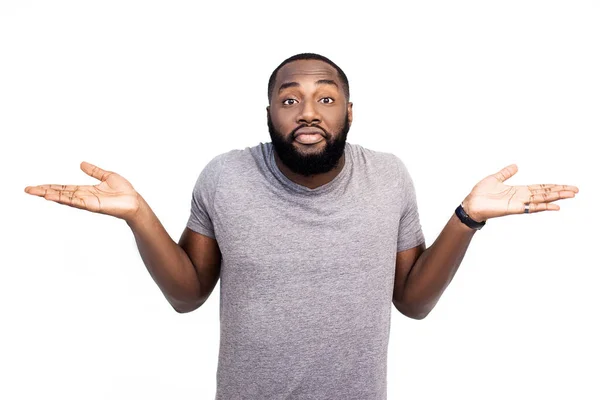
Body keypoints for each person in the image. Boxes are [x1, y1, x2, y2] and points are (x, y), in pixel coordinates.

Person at [24, 53, 579, 399]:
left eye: (325, 98)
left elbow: (412, 301)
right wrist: (138, 215)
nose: (308, 111)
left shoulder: (388, 177)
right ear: (269, 113)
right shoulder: (225, 175)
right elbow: (188, 294)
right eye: (289, 99)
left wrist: (467, 218)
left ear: (349, 112)